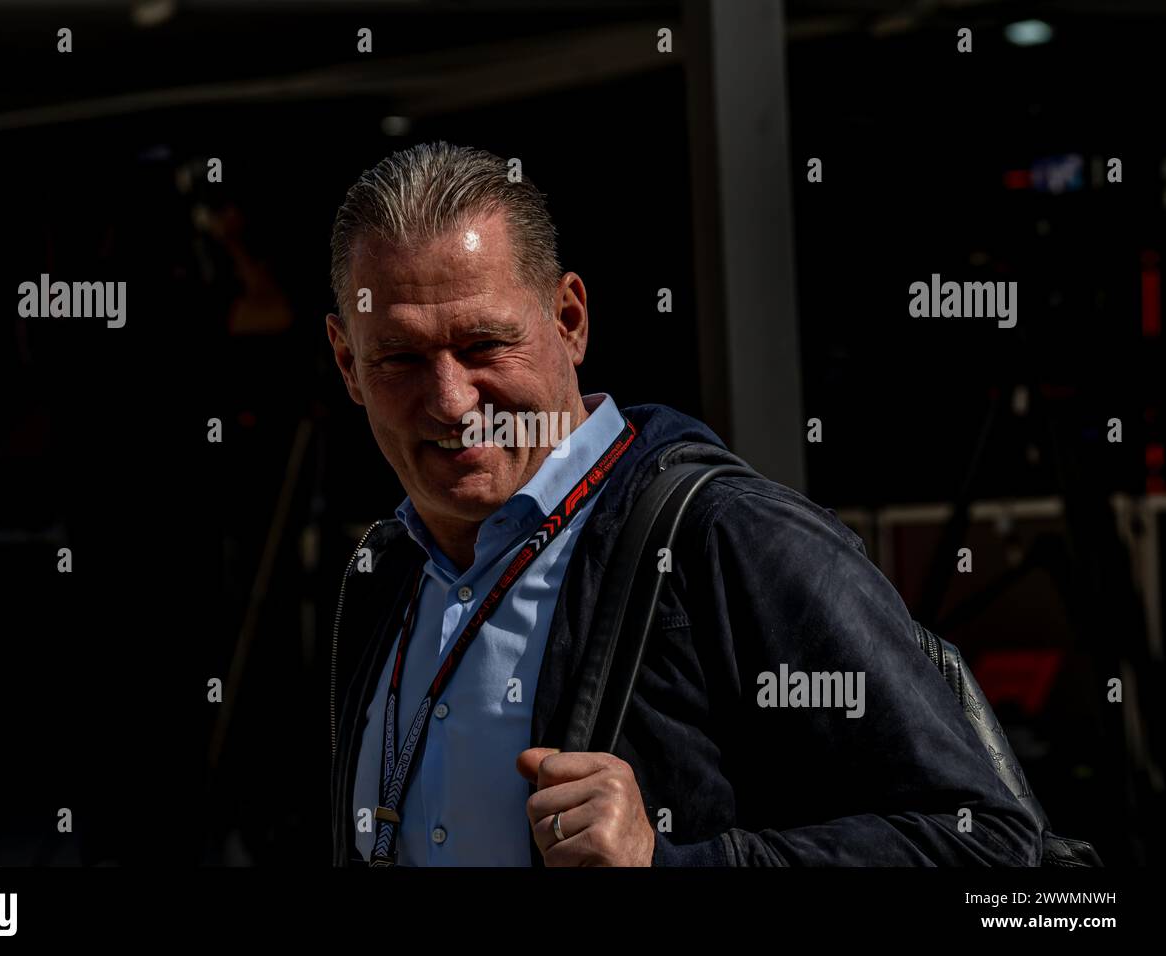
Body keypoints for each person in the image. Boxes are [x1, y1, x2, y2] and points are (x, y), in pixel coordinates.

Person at [324, 141, 1043, 867]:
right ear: (348, 364)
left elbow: (990, 846)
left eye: (484, 344)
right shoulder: (384, 577)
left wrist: (671, 863)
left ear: (570, 320)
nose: (451, 401)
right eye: (400, 359)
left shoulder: (732, 537)